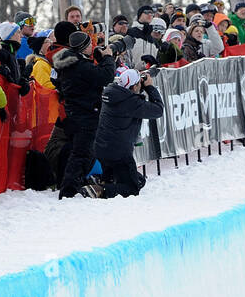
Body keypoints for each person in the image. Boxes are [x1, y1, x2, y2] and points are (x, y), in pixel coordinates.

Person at [52, 31, 115, 199]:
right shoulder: (79, 66)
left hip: (78, 113)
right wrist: (108, 58)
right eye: (89, 45)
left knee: (86, 152)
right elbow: (105, 77)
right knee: (80, 154)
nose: (92, 47)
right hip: (84, 115)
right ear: (83, 47)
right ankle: (68, 190)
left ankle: (74, 185)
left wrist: (100, 60)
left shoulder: (71, 64)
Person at [90, 67, 163, 199]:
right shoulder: (131, 103)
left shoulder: (111, 94)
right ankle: (99, 189)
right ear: (134, 86)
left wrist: (139, 85)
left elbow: (130, 94)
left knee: (134, 178)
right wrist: (150, 87)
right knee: (133, 188)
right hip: (119, 154)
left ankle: (104, 182)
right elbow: (158, 110)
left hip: (102, 148)